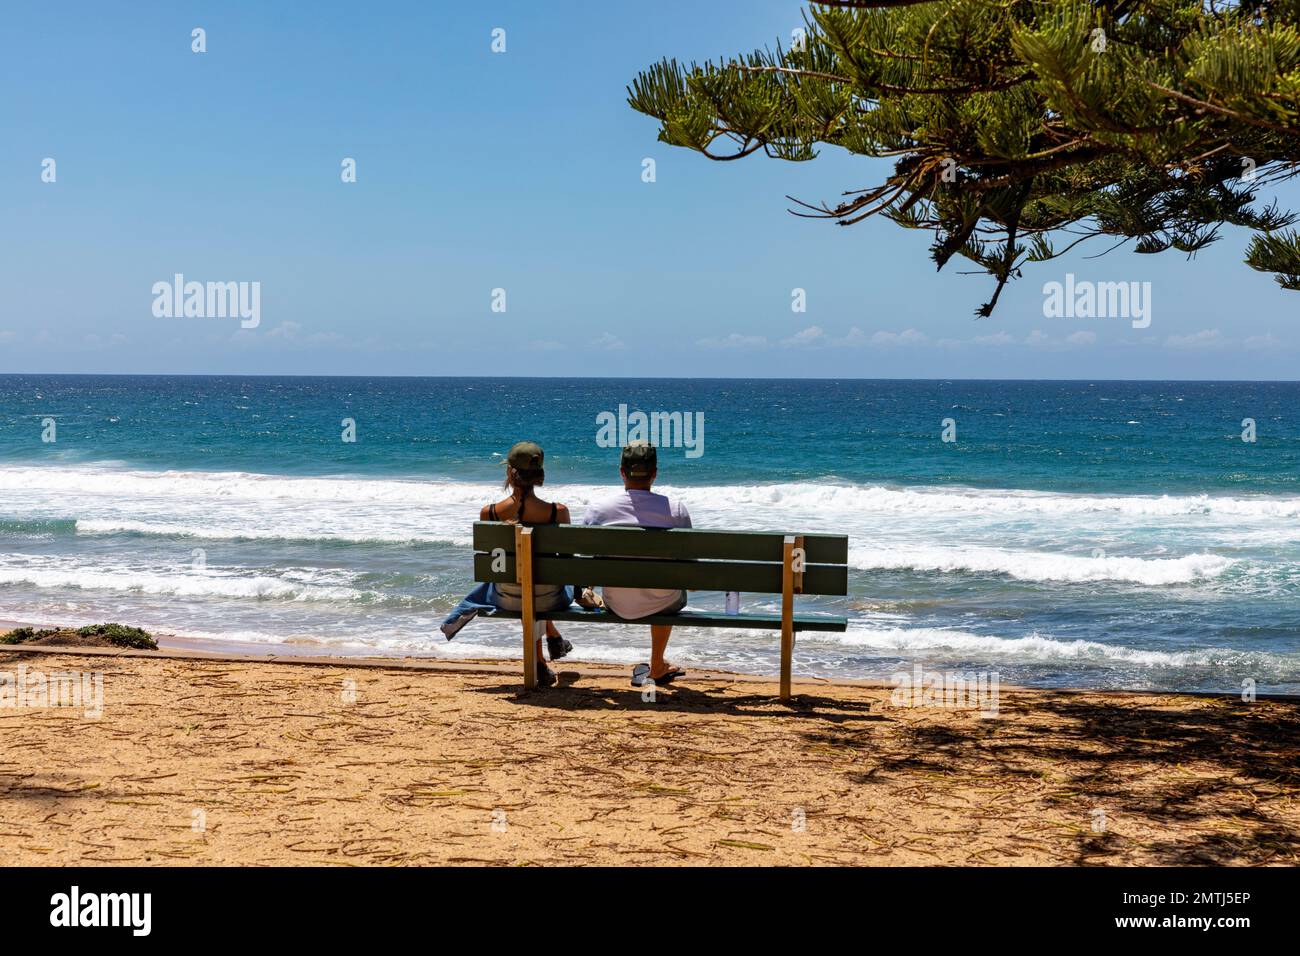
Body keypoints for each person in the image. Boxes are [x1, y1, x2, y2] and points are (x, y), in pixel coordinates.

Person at [440, 441, 599, 687]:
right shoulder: (559, 512)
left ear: (509, 473)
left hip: (506, 596)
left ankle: (543, 656)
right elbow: (567, 564)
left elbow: (495, 566)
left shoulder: (489, 513)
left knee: (522, 582)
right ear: (540, 475)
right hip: (550, 598)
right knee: (541, 583)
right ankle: (550, 640)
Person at [582, 441, 692, 687]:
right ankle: (657, 664)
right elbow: (689, 570)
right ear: (654, 473)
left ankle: (658, 665)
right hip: (664, 602)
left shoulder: (599, 510)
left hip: (616, 602)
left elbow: (585, 564)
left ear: (622, 471)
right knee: (667, 587)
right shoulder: (676, 510)